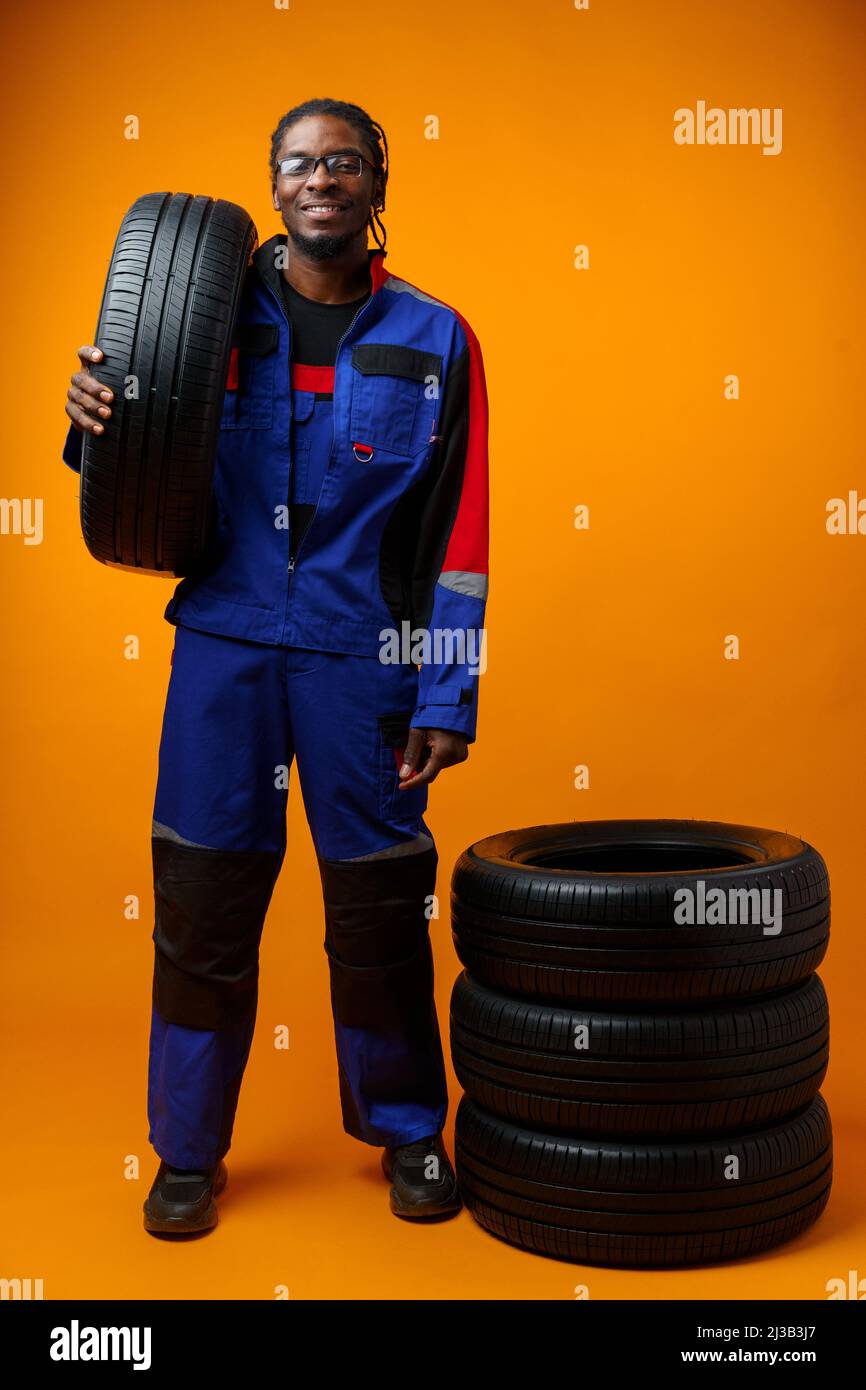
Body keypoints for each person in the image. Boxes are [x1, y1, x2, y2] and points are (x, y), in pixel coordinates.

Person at [62, 97, 489, 1236]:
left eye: (340, 160)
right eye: (296, 163)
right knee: (201, 902)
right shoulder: (199, 322)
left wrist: (447, 689)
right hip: (226, 650)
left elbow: (461, 535)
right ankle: (189, 1151)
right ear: (271, 183)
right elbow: (134, 458)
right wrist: (90, 419)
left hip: (364, 662)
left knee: (380, 907)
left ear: (373, 181)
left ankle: (407, 1131)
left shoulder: (434, 336)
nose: (317, 179)